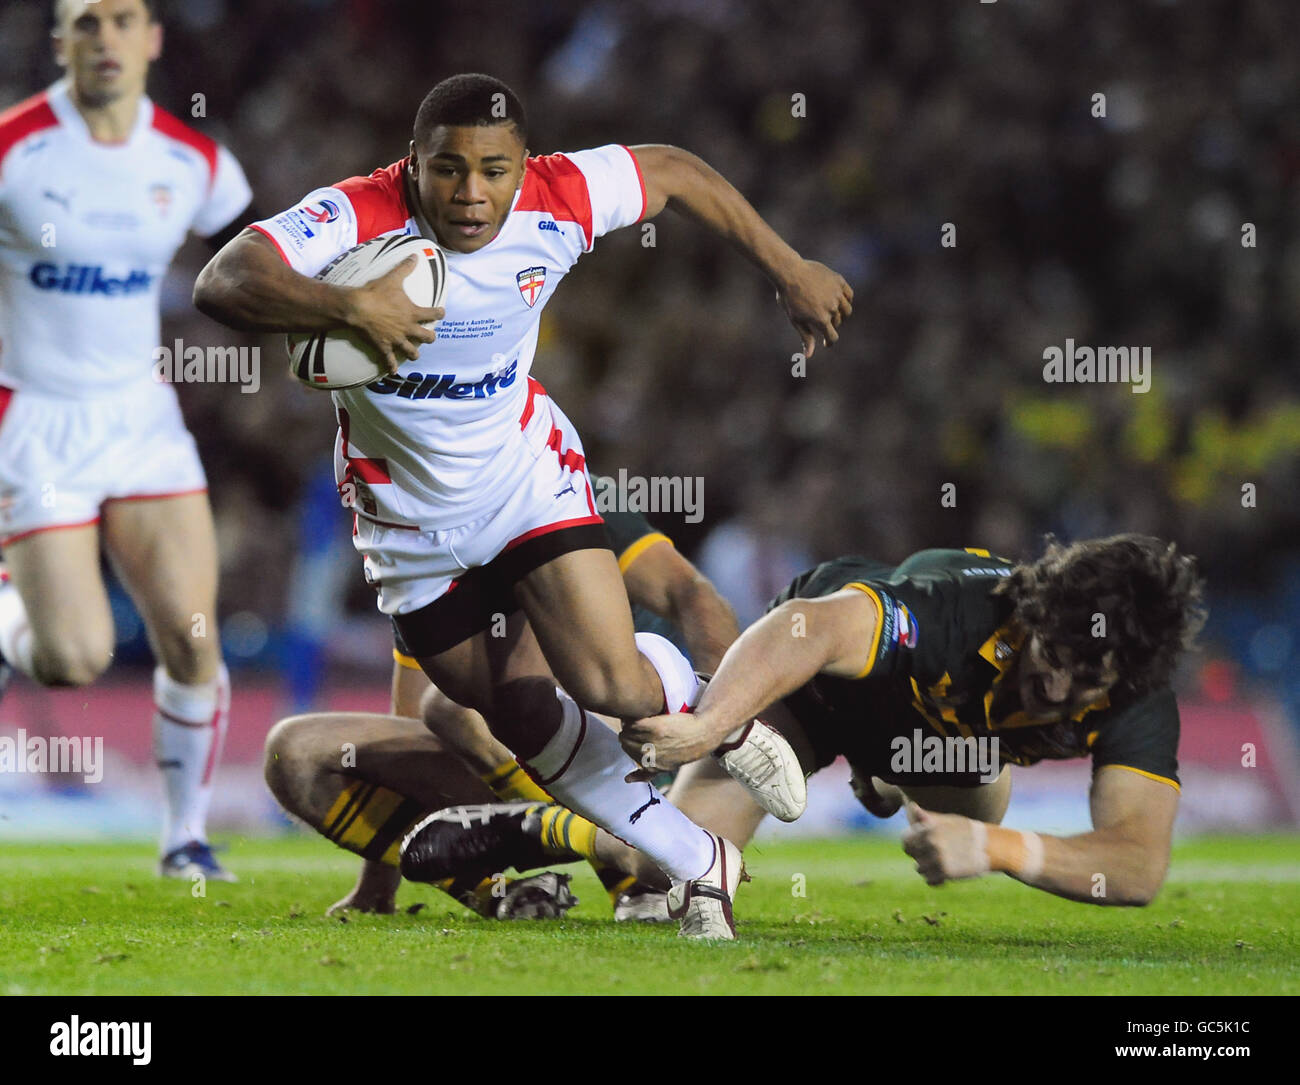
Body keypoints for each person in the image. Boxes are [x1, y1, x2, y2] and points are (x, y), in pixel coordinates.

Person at [193, 71, 852, 938]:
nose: (471, 193)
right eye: (448, 169)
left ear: (523, 163)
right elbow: (223, 278)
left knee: (608, 681)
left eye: (494, 169)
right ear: (413, 163)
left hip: (523, 479)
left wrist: (787, 264)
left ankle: (699, 707)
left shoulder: (562, 197)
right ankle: (702, 857)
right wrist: (349, 306)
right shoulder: (359, 211)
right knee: (514, 710)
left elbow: (677, 172)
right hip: (409, 528)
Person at [0, 0, 254, 880]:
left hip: (142, 423)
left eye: (120, 19)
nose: (103, 38)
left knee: (192, 636)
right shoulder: (13, 147)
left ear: (151, 38)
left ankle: (184, 837)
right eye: (84, 22)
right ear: (59, 41)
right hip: (35, 421)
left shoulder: (197, 165)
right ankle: (7, 610)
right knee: (73, 658)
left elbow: (247, 261)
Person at [612, 535, 1207, 907]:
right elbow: (807, 627)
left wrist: (995, 848)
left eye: (1082, 682)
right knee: (659, 870)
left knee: (977, 801)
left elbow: (1136, 865)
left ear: (1125, 684)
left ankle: (890, 773)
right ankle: (549, 818)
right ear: (1034, 609)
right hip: (815, 692)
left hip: (933, 747)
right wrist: (710, 725)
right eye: (1050, 655)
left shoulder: (1137, 699)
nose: (1054, 688)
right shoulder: (957, 609)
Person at [263, 491, 742, 920]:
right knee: (296, 751)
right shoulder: (413, 543)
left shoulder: (561, 487)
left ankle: (637, 873)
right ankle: (506, 894)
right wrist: (376, 887)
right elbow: (408, 720)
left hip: (634, 741)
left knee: (463, 707)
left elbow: (691, 594)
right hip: (513, 761)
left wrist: (722, 728)